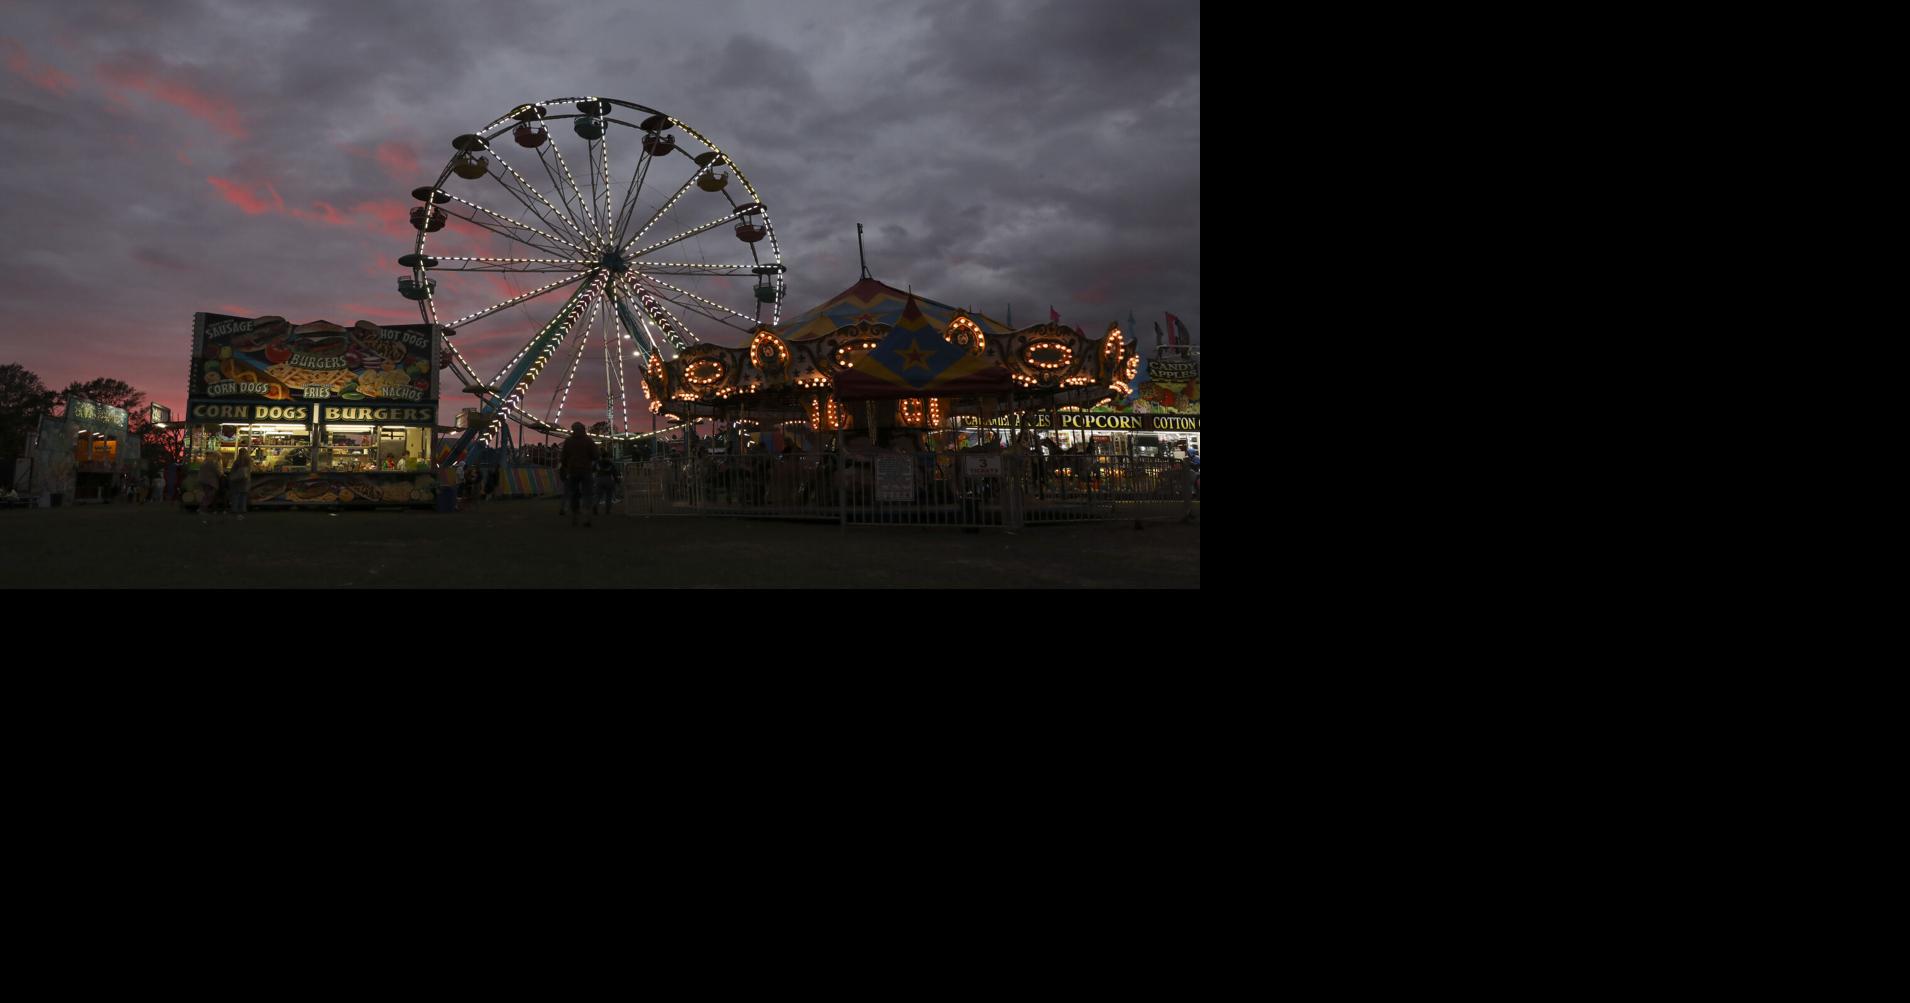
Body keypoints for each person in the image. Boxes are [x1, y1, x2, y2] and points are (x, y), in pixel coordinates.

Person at [559, 421, 597, 527]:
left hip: (573, 471)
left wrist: (566, 466)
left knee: (574, 494)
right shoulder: (588, 441)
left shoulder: (568, 441)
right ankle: (587, 517)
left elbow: (563, 457)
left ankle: (575, 516)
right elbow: (595, 455)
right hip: (586, 470)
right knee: (587, 494)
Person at [592, 447, 620, 516]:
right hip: (608, 479)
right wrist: (617, 480)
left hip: (599, 479)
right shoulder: (610, 463)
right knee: (609, 496)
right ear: (607, 456)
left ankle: (595, 505)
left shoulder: (597, 462)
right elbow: (614, 472)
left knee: (598, 495)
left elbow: (592, 469)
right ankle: (607, 510)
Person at [197, 454, 223, 523]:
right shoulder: (214, 463)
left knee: (207, 494)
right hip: (211, 482)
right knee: (210, 495)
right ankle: (203, 507)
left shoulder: (205, 463)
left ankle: (203, 507)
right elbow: (219, 473)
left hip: (203, 481)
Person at [228, 448, 251, 520]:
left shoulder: (237, 461)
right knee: (243, 496)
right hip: (245, 481)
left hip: (237, 481)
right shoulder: (248, 461)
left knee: (236, 496)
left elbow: (232, 470)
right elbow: (250, 470)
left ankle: (235, 509)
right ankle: (243, 509)